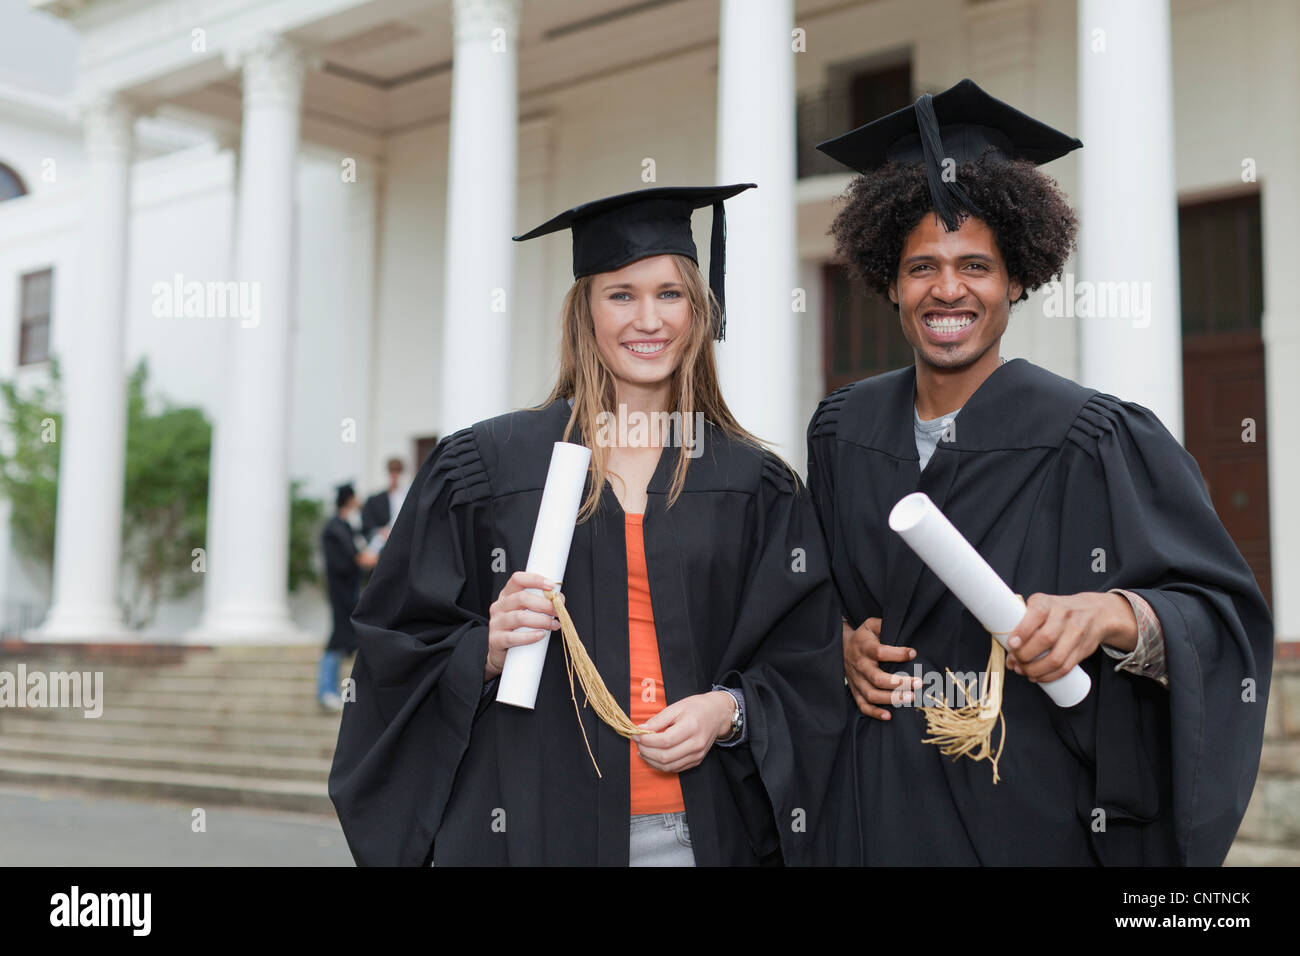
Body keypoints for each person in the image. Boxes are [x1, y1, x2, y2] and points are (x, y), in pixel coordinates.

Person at [806, 79, 1273, 865]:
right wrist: (839, 643)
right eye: (922, 266)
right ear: (889, 278)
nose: (948, 290)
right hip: (873, 813)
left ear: (1018, 276)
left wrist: (1111, 612)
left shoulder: (1096, 438)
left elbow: (1219, 618)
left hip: (1028, 820)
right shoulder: (842, 431)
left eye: (975, 266)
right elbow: (801, 600)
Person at [329, 184, 845, 866]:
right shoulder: (488, 467)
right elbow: (394, 642)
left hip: (701, 840)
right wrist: (484, 646)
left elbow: (806, 660)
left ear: (697, 310)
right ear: (585, 312)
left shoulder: (754, 483)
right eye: (621, 294)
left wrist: (728, 711)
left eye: (670, 294)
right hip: (531, 835)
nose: (648, 319)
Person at [319, 483, 379, 711]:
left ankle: (334, 691)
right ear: (348, 499)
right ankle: (326, 691)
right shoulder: (335, 528)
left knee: (344, 640)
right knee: (337, 639)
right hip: (340, 592)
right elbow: (354, 559)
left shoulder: (345, 526)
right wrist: (370, 556)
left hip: (349, 591)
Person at [361, 457, 409, 541]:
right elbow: (367, 525)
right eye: (392, 472)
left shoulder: (407, 496)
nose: (395, 476)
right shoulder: (376, 500)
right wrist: (380, 531)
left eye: (397, 472)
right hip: (384, 541)